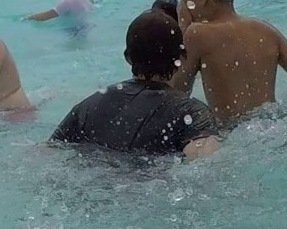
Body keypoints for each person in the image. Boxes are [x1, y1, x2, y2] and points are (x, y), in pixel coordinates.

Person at [50, 10, 219, 157]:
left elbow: (48, 151)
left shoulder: (89, 106)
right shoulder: (192, 113)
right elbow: (203, 163)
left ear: (127, 57)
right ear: (181, 58)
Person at [171, 0, 287, 123]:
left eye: (187, 1)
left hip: (232, 135)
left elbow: (177, 93)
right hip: (273, 124)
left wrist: (183, 27)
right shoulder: (267, 30)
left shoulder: (196, 34)